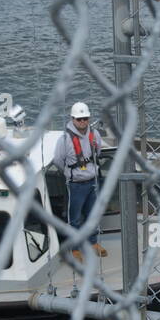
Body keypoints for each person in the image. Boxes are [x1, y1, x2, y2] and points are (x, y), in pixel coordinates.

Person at [54, 102, 108, 259]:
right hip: (75, 185)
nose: (83, 122)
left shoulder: (95, 135)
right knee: (75, 218)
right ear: (73, 119)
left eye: (85, 118)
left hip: (93, 181)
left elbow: (98, 152)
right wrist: (70, 174)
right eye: (79, 119)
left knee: (92, 215)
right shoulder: (64, 139)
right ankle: (75, 248)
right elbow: (58, 160)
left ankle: (93, 242)